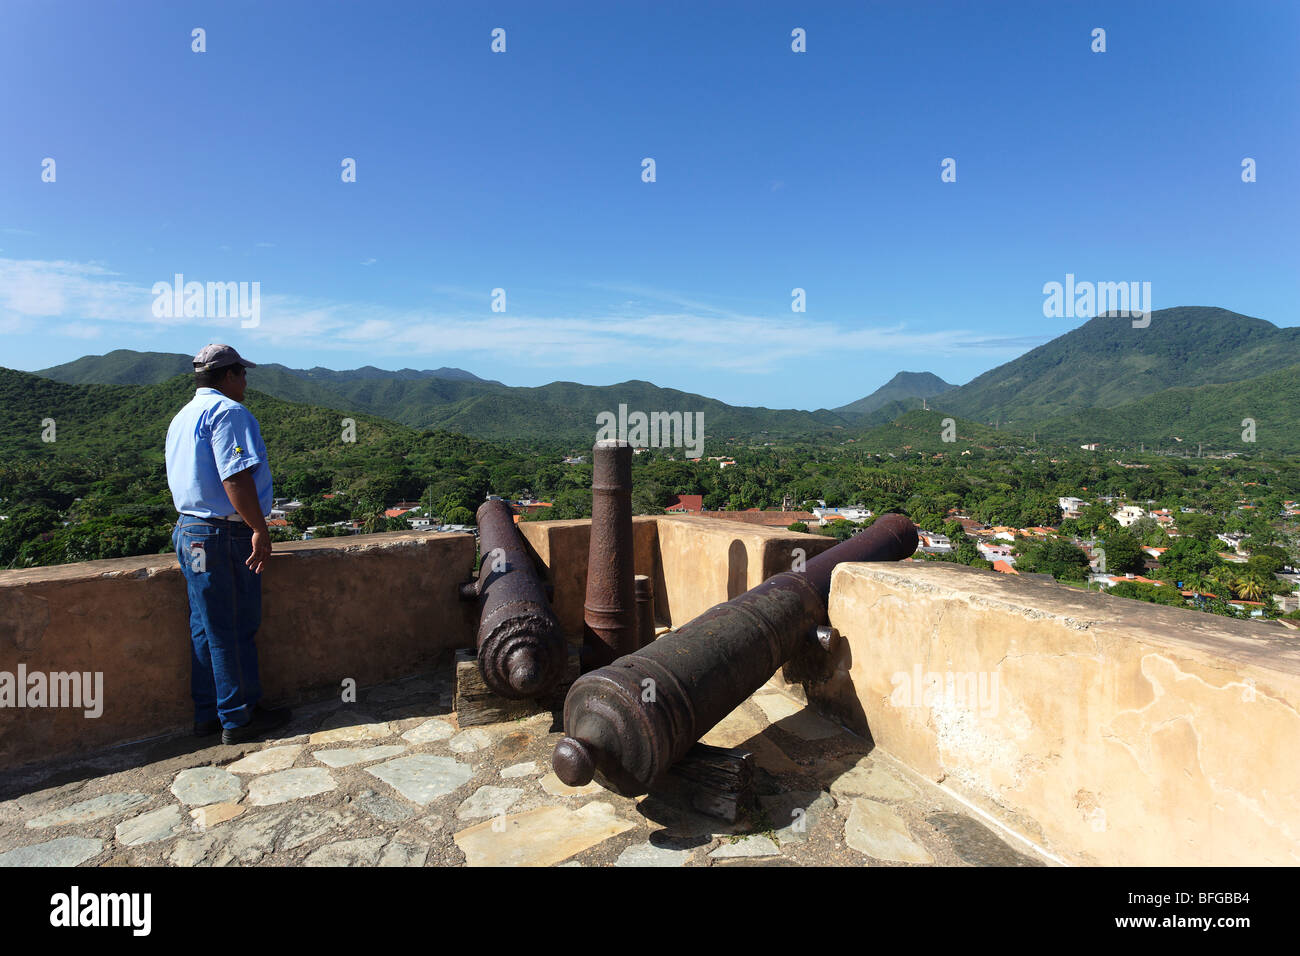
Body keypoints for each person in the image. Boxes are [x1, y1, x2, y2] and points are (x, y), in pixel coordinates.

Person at [165, 344, 291, 745]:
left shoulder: (183, 417)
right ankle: (238, 719)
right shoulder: (230, 413)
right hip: (224, 535)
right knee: (234, 624)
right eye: (243, 374)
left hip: (191, 530)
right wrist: (259, 529)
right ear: (230, 375)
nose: (246, 382)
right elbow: (235, 478)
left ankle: (208, 715)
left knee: (205, 626)